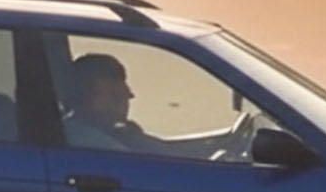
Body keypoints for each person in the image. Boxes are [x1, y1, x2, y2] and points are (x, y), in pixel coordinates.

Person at [61, 52, 256, 159]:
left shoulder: (118, 133)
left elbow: (166, 152)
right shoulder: (86, 140)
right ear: (83, 94)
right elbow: (146, 172)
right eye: (115, 94)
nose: (130, 95)